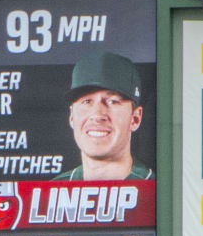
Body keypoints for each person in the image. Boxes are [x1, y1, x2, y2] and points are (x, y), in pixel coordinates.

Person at [57, 51, 152, 181]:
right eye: (87, 101)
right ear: (72, 116)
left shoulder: (157, 190)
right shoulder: (51, 191)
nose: (97, 114)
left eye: (112, 101)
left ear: (135, 118)